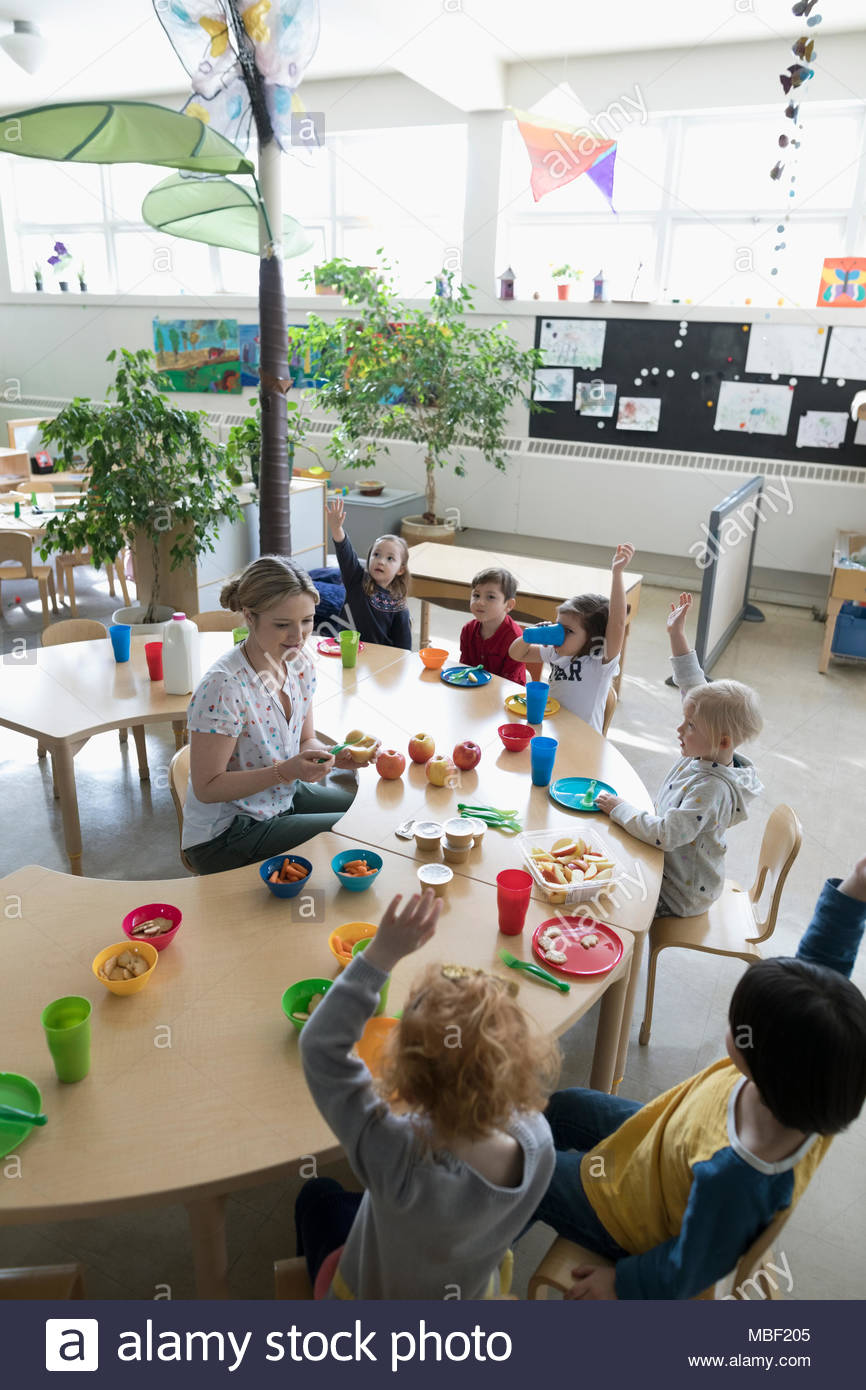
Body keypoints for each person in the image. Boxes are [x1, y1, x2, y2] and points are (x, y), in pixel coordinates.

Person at [523, 856, 866, 1300]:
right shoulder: (816, 1078)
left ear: (767, 1063)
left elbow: (691, 1269)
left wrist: (622, 1283)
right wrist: (857, 883)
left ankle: (479, 1242)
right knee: (566, 1105)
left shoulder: (736, 1178)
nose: (731, 1024)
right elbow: (822, 965)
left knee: (524, 1163)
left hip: (626, 1212)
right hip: (661, 1141)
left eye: (739, 1025)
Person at [296, 889, 560, 1299]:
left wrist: (379, 956)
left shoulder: (394, 1155)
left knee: (317, 1197)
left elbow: (319, 1047)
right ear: (516, 1060)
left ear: (409, 1081)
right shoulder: (539, 1142)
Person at [182, 556, 376, 874]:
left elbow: (305, 740)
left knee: (370, 814)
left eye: (307, 621)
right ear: (249, 616)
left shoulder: (299, 663)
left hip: (281, 797)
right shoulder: (224, 687)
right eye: (282, 624)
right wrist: (284, 772)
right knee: (356, 833)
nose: (298, 636)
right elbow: (207, 787)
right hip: (226, 835)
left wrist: (336, 757)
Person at [595, 592, 762, 916]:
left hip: (679, 893)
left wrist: (620, 808)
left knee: (610, 904)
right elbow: (693, 687)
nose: (679, 729)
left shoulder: (711, 789)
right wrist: (677, 635)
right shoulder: (711, 748)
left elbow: (666, 835)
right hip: (671, 870)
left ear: (723, 741)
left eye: (690, 726)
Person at [507, 542, 635, 733]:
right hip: (555, 728)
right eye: (557, 625)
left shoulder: (599, 661)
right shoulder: (556, 652)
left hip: (584, 738)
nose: (559, 633)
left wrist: (617, 574)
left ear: (593, 638)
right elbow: (517, 654)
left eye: (568, 630)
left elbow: (617, 623)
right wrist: (529, 635)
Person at [326, 497, 412, 649]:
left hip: (377, 663)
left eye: (390, 558)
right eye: (376, 554)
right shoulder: (357, 579)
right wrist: (336, 529)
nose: (381, 561)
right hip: (345, 652)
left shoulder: (399, 606)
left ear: (400, 569)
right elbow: (345, 553)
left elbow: (404, 648)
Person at [459, 567, 527, 685]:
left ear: (509, 605)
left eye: (490, 597)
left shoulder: (515, 638)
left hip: (507, 694)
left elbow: (509, 684)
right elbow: (465, 669)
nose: (480, 602)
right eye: (476, 595)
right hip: (475, 689)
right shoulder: (468, 630)